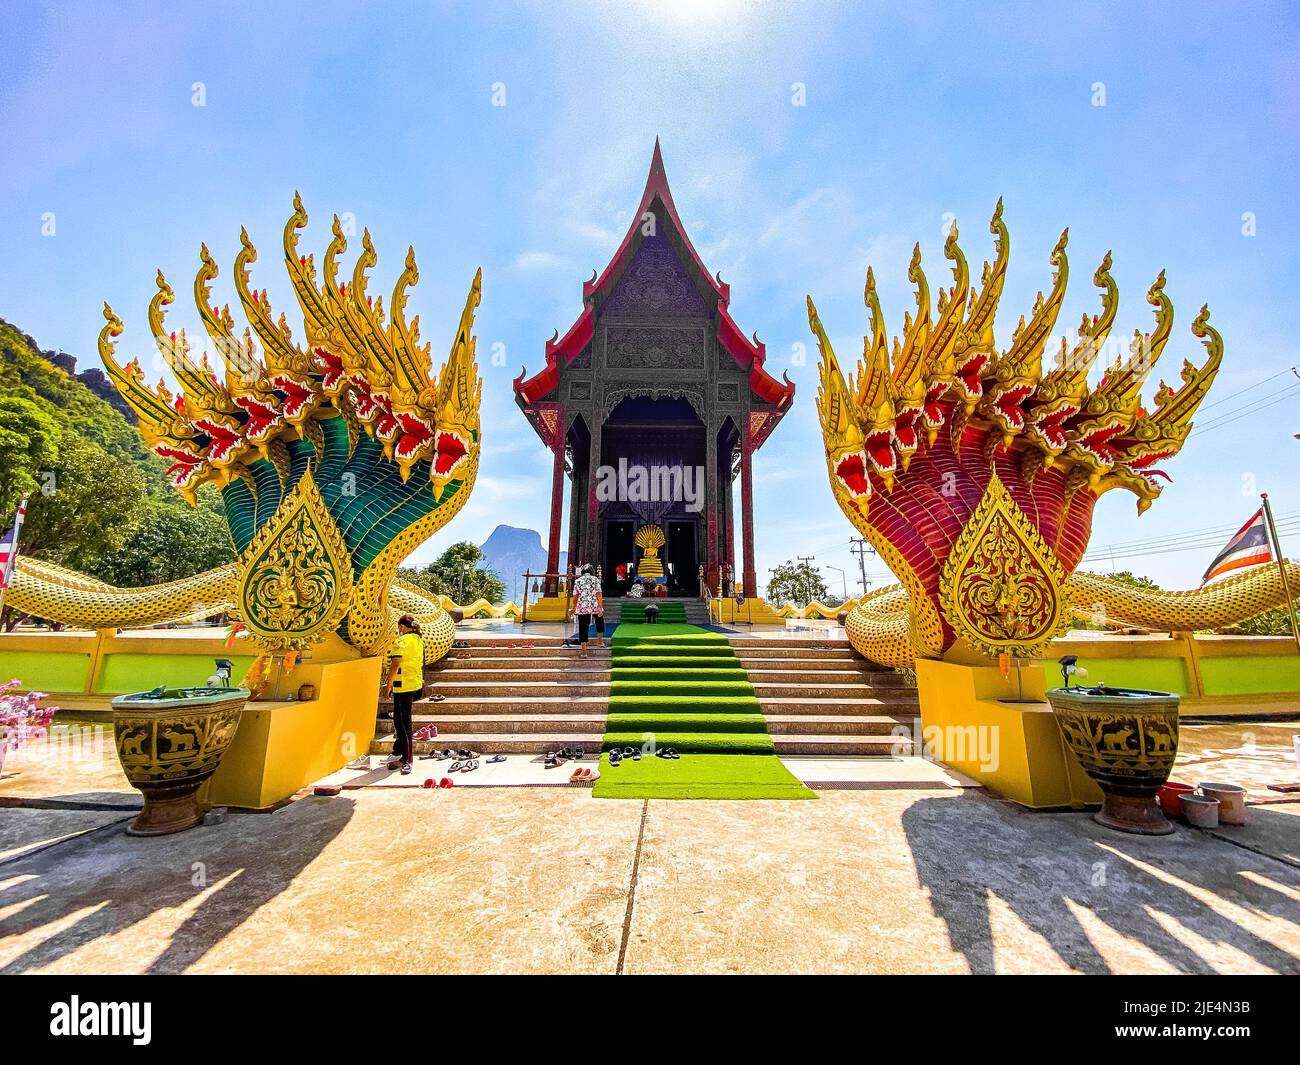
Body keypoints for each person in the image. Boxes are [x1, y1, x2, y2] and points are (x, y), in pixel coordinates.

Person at [383, 614, 424, 774]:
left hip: (403, 685)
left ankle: (407, 759)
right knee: (399, 719)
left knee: (404, 722)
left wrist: (388, 684)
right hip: (414, 683)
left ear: (402, 626)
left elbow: (395, 664)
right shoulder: (418, 640)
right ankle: (399, 749)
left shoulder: (402, 641)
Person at [572, 563, 604, 657]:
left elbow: (575, 596)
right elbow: (599, 594)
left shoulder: (578, 581)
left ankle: (584, 652)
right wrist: (600, 607)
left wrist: (574, 608)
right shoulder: (595, 580)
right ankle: (600, 642)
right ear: (592, 571)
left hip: (582, 606)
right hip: (594, 605)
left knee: (583, 627)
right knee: (599, 621)